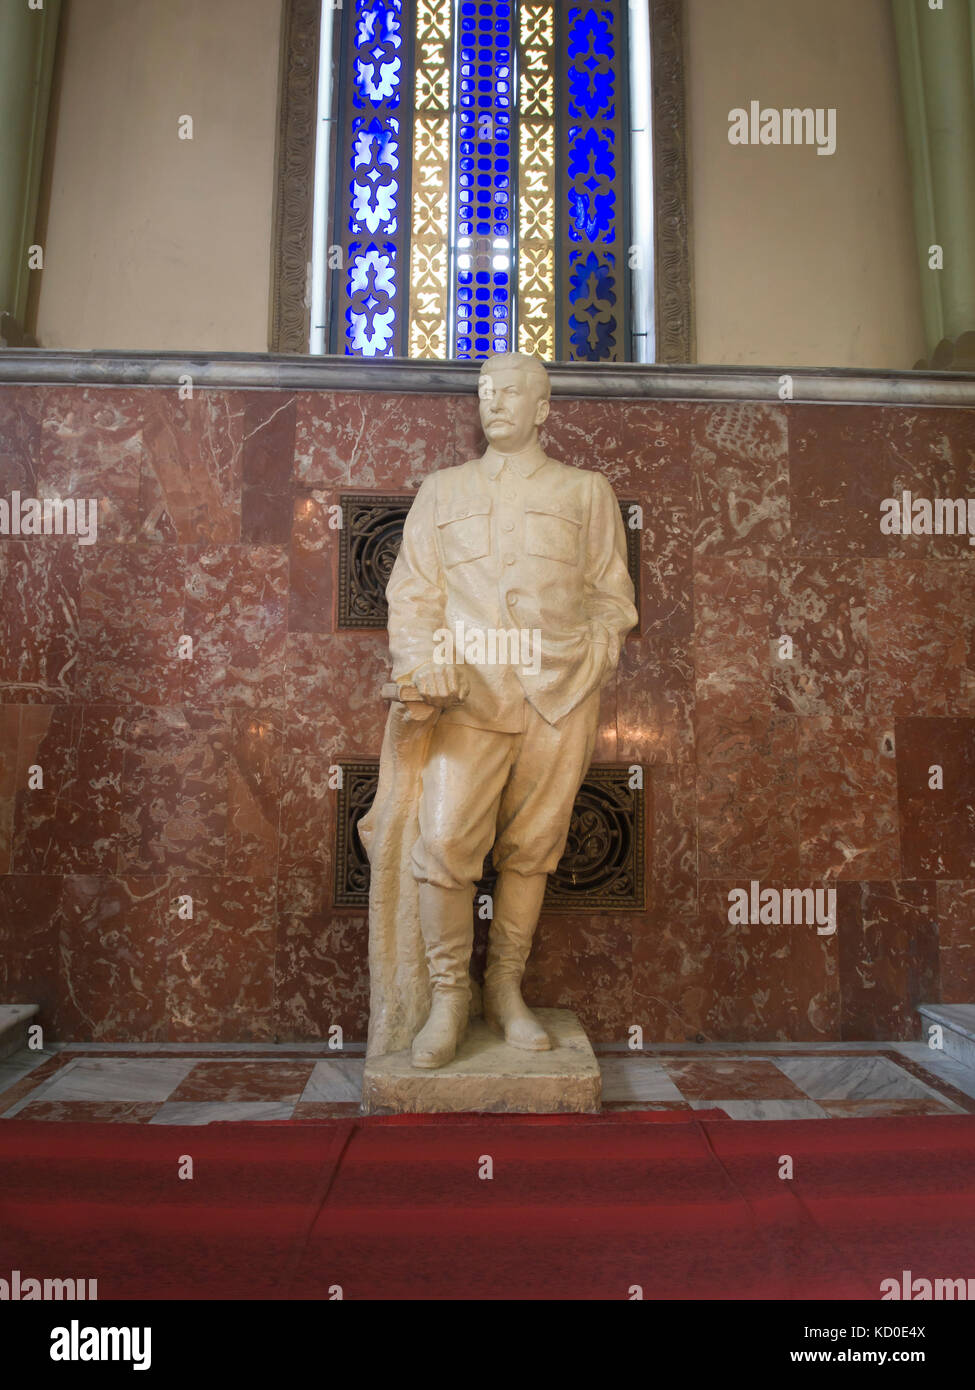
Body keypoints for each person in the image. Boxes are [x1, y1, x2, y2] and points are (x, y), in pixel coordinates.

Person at [382, 350, 638, 1068]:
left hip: (558, 695)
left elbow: (612, 600)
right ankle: (446, 999)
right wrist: (420, 660)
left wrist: (589, 659)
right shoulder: (441, 490)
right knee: (444, 846)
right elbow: (413, 593)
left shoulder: (586, 491)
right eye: (485, 391)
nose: (494, 402)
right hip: (466, 695)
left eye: (512, 391)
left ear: (542, 407)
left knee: (533, 850)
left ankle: (503, 991)